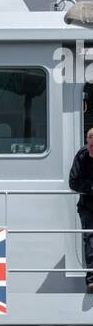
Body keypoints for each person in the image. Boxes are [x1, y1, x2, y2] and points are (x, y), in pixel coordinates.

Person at [69, 125, 93, 293]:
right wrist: (92, 187)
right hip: (88, 206)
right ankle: (91, 280)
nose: (91, 149)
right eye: (90, 145)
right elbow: (73, 182)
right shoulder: (82, 155)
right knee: (90, 241)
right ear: (87, 141)